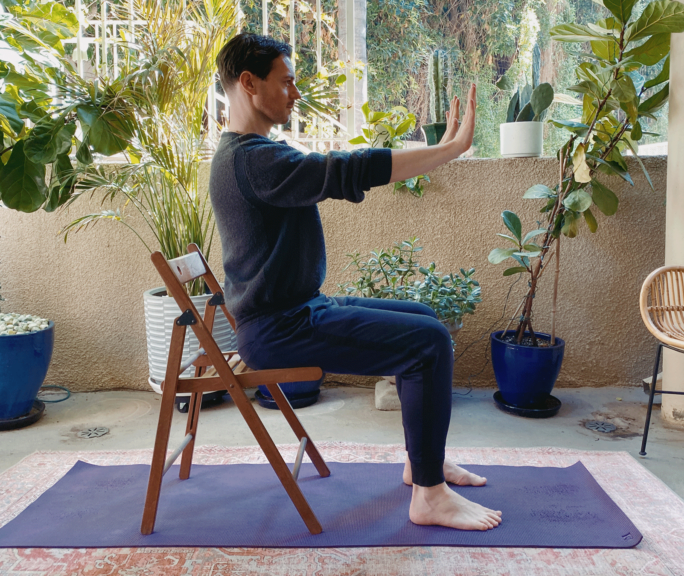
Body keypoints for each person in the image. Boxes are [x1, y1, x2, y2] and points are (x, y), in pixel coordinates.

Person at [209, 32, 501, 531]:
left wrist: (443, 151)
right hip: (279, 329)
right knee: (428, 342)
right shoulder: (251, 161)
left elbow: (338, 169)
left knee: (424, 319)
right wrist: (448, 150)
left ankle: (421, 464)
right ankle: (430, 496)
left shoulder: (252, 153)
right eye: (287, 81)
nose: (295, 93)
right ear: (249, 83)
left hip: (296, 310)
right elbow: (346, 170)